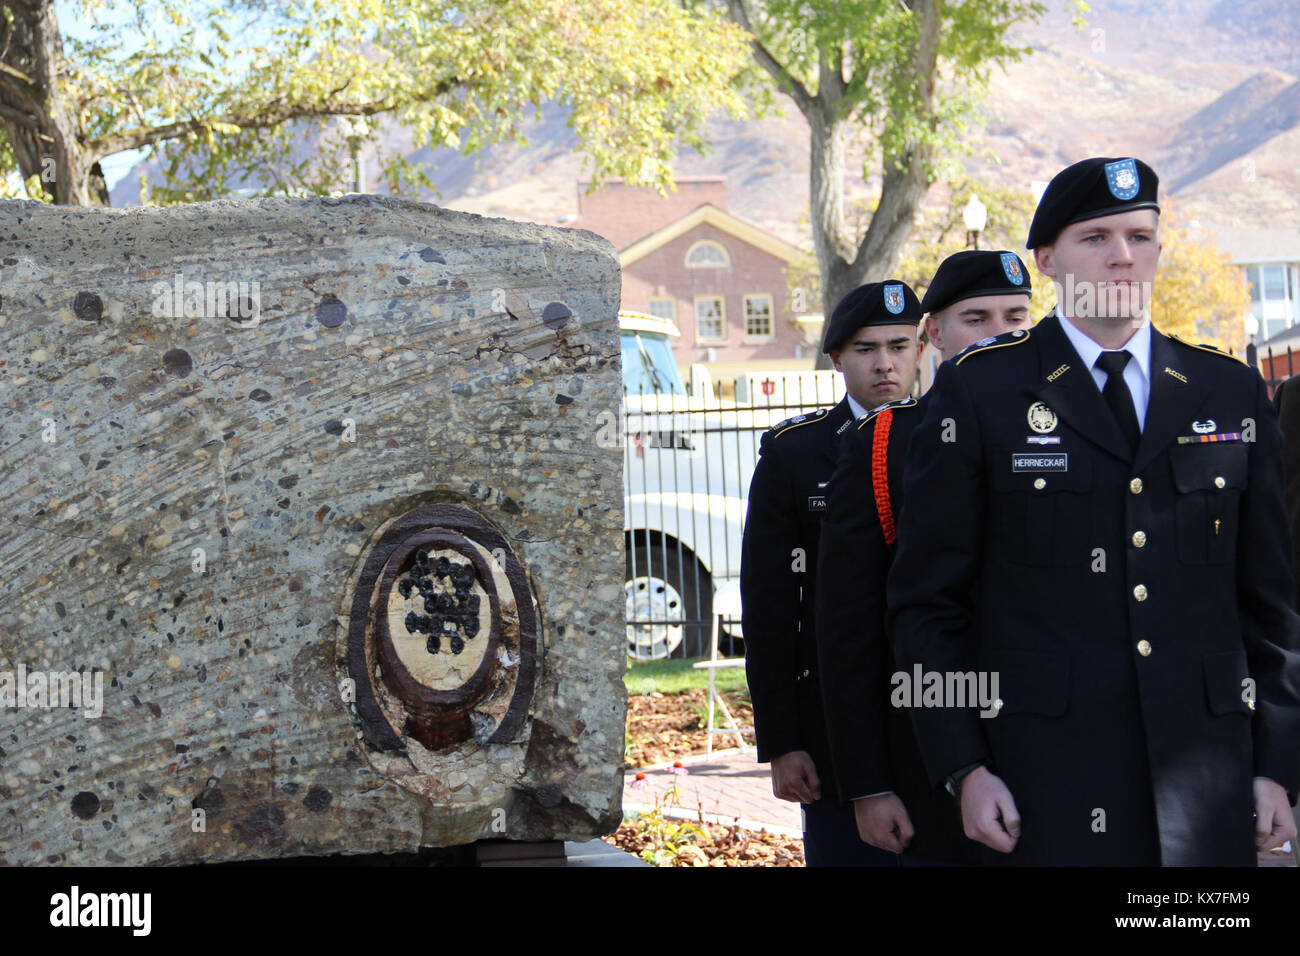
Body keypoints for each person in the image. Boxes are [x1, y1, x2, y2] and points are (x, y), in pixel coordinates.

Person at [887, 156, 1300, 866]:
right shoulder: (983, 393)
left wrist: (1277, 766)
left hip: (1205, 785)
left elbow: (1270, 605)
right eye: (1096, 238)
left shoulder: (1224, 390)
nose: (1121, 256)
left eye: (1140, 237)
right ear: (1046, 258)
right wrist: (964, 767)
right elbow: (927, 604)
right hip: (1043, 780)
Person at [816, 251, 1032, 865]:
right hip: (931, 744)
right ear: (934, 334)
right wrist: (869, 782)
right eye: (977, 318)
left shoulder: (1075, 428)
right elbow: (849, 630)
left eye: (1016, 315)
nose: (1003, 334)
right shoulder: (886, 444)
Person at [741, 281, 922, 866]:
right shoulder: (796, 454)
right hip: (832, 726)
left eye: (899, 345)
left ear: (921, 348)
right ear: (838, 357)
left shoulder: (950, 437)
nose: (886, 363)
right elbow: (770, 607)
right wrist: (783, 741)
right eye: (867, 349)